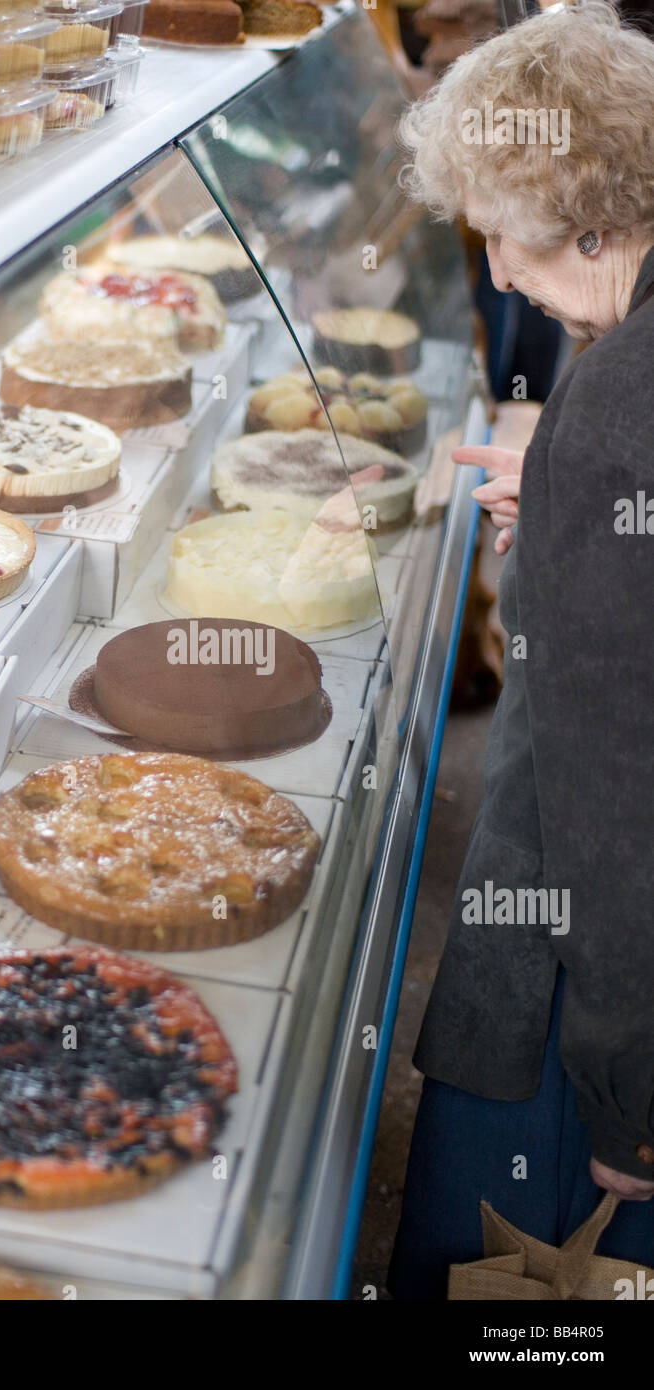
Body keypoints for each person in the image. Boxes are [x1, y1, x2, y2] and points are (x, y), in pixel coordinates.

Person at [388, 1, 654, 1298]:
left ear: (595, 220)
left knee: (517, 1278)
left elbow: (616, 808)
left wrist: (628, 1101)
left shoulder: (612, 412)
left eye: (509, 234)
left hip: (584, 998)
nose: (491, 274)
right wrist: (565, 514)